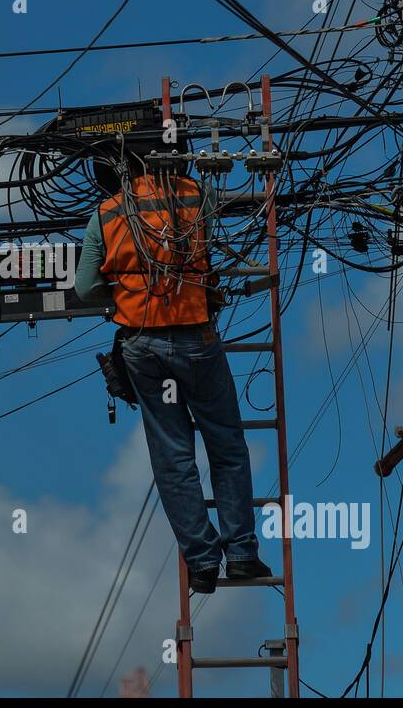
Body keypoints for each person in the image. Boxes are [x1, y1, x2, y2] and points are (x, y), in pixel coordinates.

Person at [74, 154, 271, 594]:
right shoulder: (195, 195)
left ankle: (202, 563)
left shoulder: (105, 214)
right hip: (196, 339)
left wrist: (128, 291)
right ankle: (240, 553)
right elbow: (238, 214)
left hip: (143, 346)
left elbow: (85, 288)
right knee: (227, 445)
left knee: (173, 456)